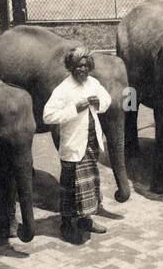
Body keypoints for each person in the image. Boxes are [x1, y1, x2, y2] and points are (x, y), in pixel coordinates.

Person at [43, 46, 112, 244]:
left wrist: (98, 103)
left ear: (89, 66)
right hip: (73, 145)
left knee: (89, 183)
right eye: (77, 66)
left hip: (90, 143)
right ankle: (66, 224)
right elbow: (48, 116)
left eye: (84, 66)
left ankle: (86, 220)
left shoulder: (93, 83)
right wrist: (75, 108)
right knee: (69, 187)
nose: (81, 70)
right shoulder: (63, 89)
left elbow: (107, 99)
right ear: (71, 68)